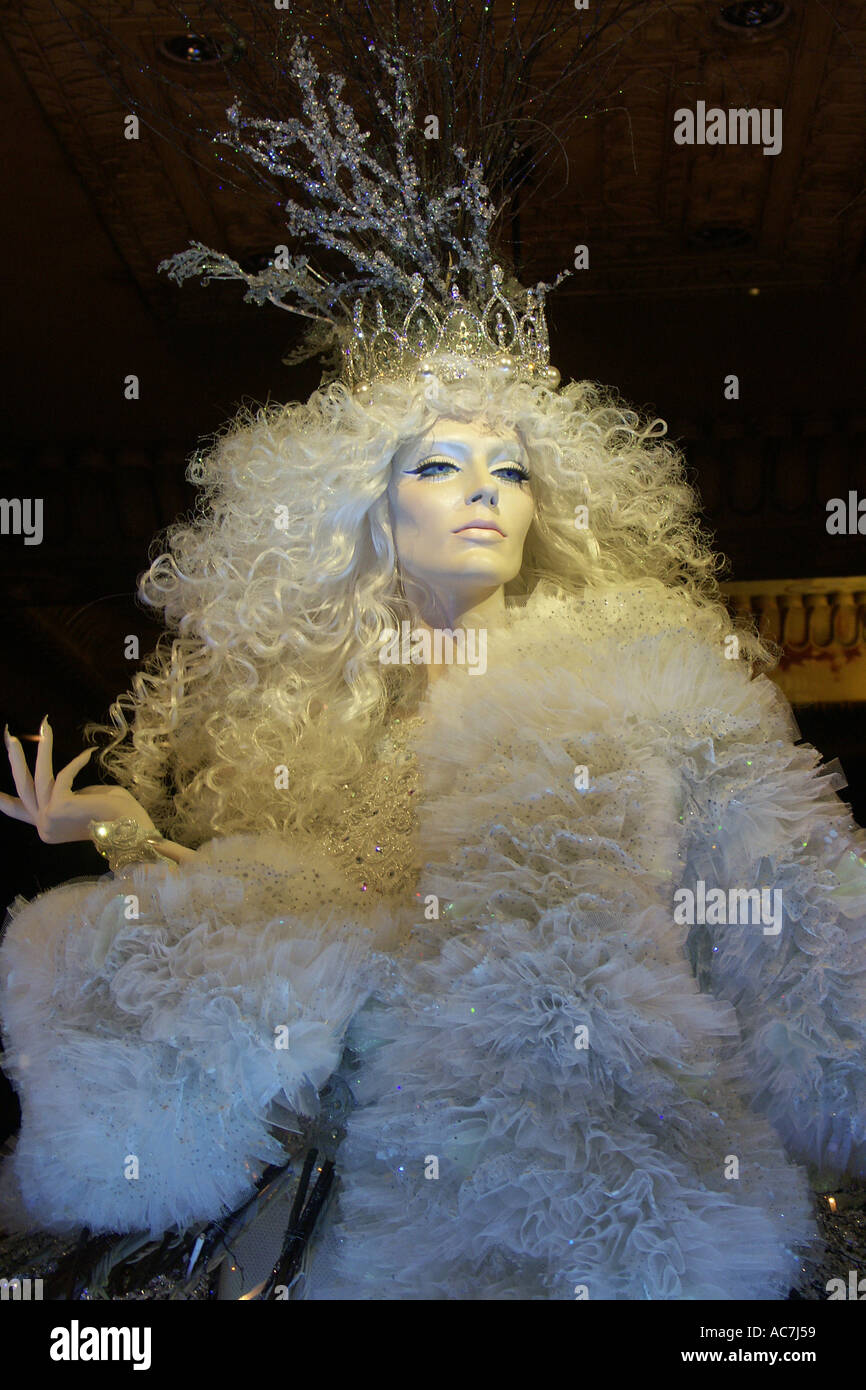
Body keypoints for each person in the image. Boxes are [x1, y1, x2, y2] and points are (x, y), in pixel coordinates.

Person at [1, 32, 865, 1300]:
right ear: (362, 510)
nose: (483, 496)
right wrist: (132, 837)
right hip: (397, 1213)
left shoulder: (643, 676)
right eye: (438, 467)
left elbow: (786, 906)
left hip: (617, 1197)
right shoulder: (332, 743)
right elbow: (312, 942)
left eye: (510, 470)